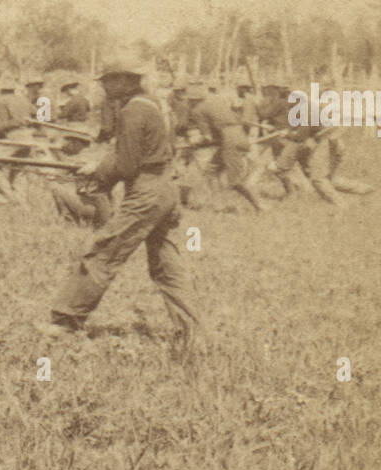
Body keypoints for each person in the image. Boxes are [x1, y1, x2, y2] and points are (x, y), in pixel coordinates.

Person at [41, 56, 199, 353]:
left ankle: (65, 322)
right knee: (167, 264)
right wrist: (99, 165)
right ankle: (192, 330)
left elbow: (126, 165)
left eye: (111, 80)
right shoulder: (153, 105)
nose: (106, 86)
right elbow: (132, 153)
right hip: (166, 188)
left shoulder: (132, 111)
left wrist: (98, 173)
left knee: (103, 251)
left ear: (128, 81)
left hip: (146, 193)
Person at [182, 85, 267, 213]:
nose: (187, 102)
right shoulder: (216, 101)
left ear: (193, 100)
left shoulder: (197, 110)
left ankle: (261, 206)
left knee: (235, 180)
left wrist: (195, 143)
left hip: (230, 141)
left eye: (188, 100)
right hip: (238, 136)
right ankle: (218, 205)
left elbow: (208, 137)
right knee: (210, 171)